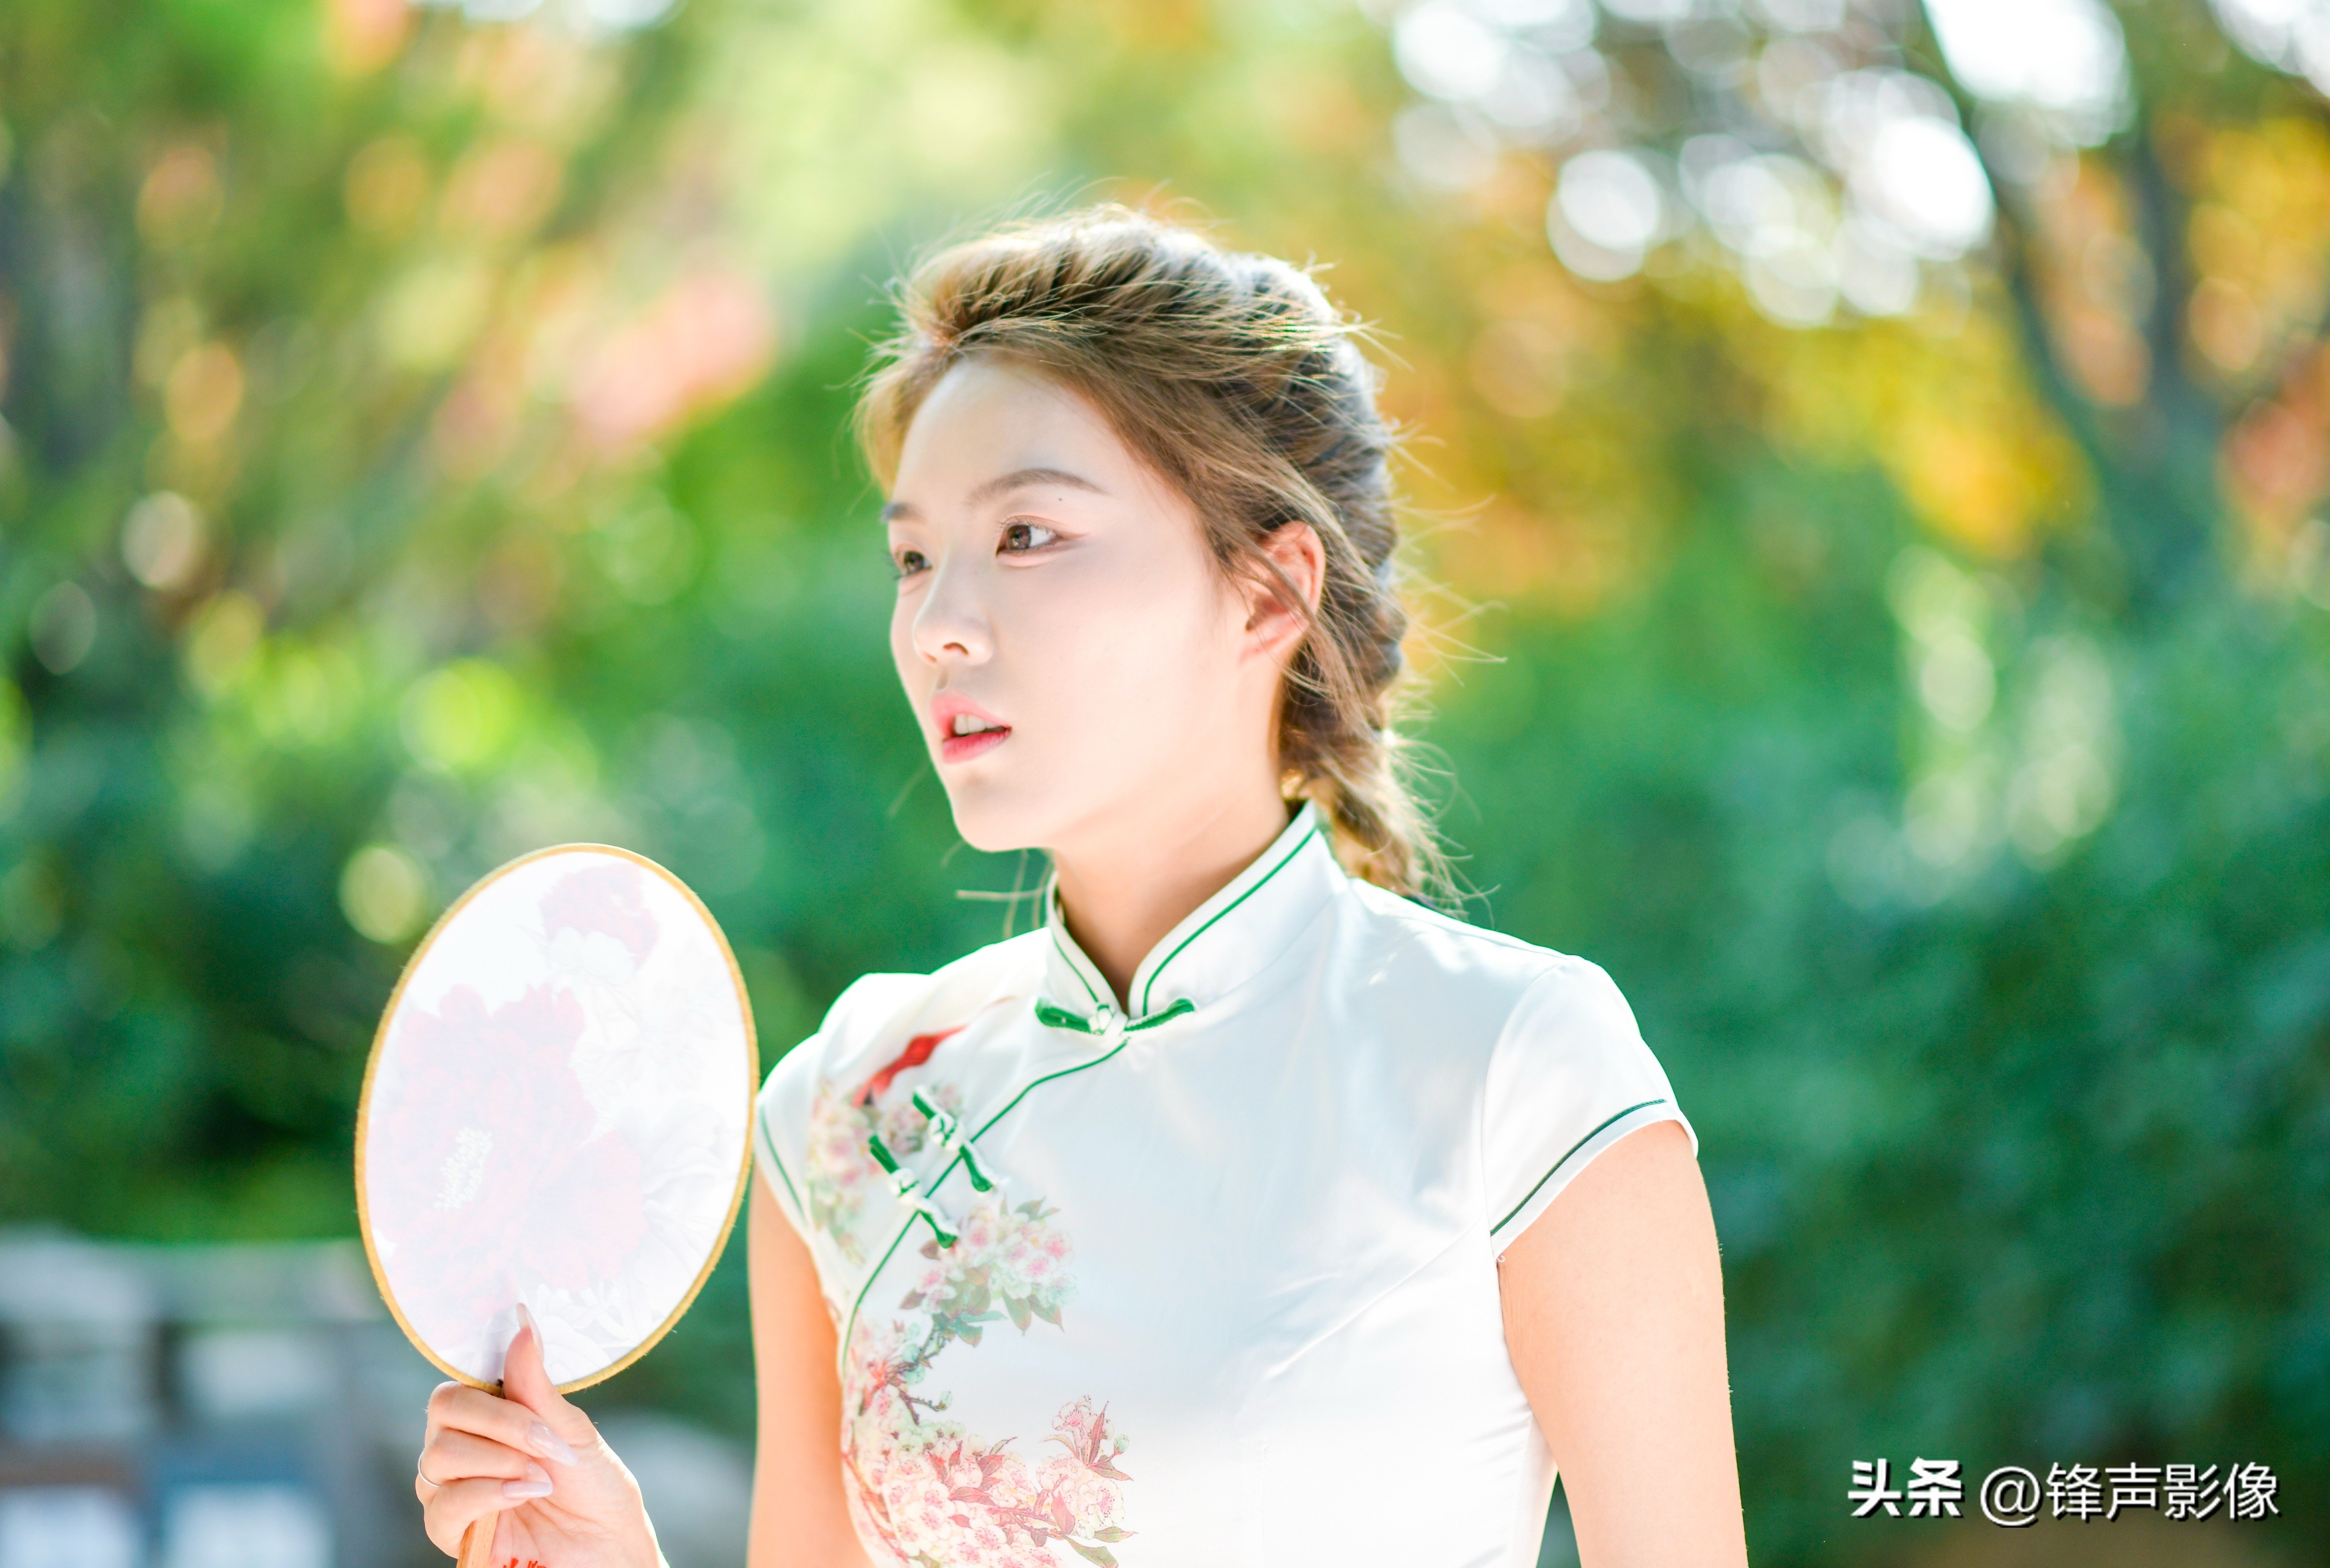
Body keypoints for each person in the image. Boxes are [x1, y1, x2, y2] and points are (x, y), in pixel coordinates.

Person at [412, 206, 1749, 1568]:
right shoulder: (853, 1108)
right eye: (915, 555)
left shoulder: (1511, 1064)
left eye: (1031, 534)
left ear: (1269, 590)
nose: (939, 622)